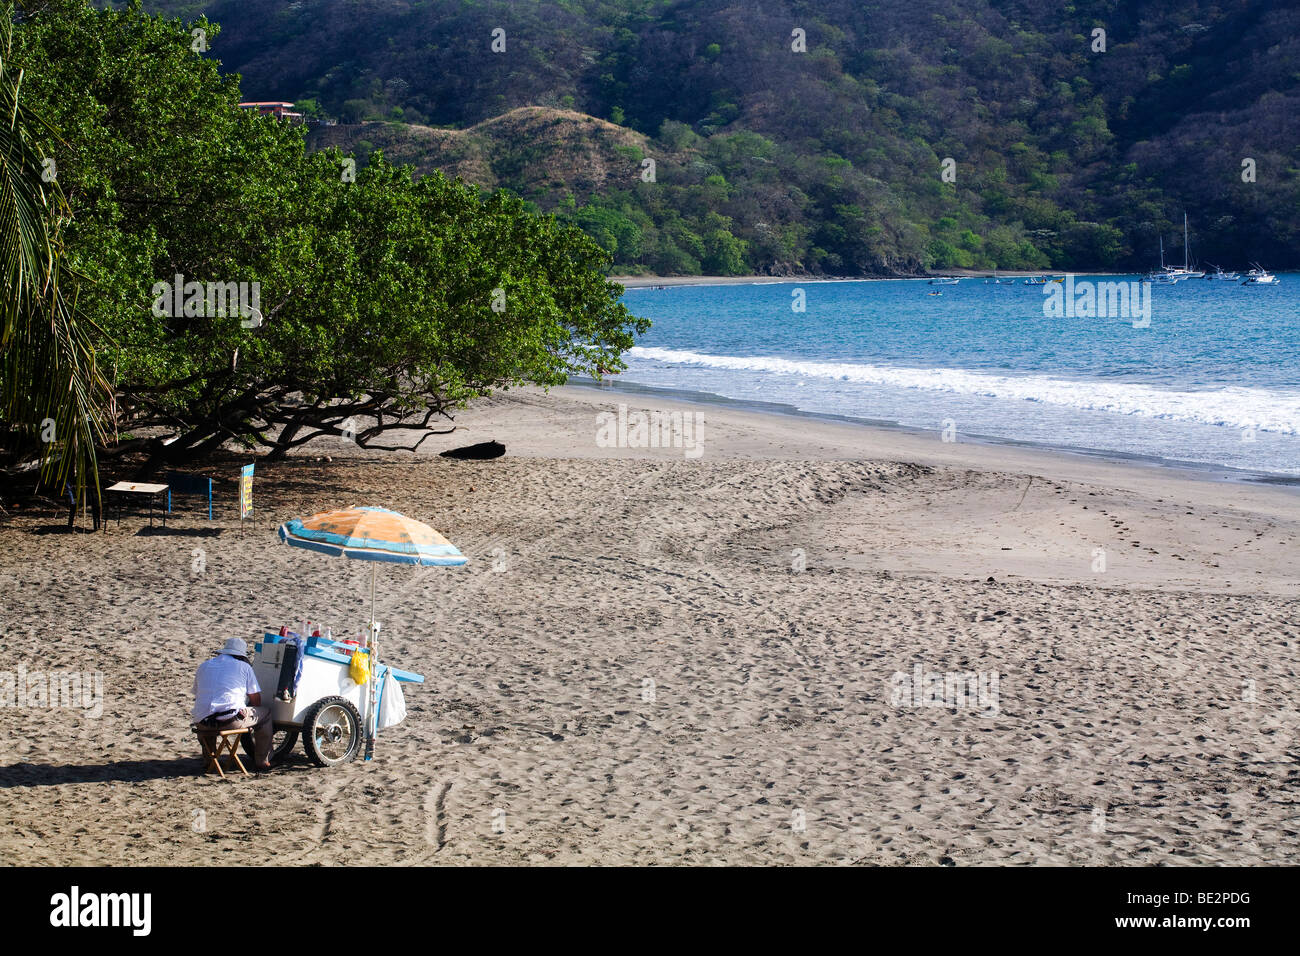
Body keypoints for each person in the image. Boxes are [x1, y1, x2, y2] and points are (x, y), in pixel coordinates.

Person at [192, 637, 274, 771]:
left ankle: (210, 761)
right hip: (229, 721)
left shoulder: (204, 665)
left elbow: (197, 693)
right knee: (265, 714)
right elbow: (255, 699)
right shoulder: (244, 667)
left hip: (202, 723)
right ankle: (262, 761)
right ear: (241, 656)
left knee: (206, 712)